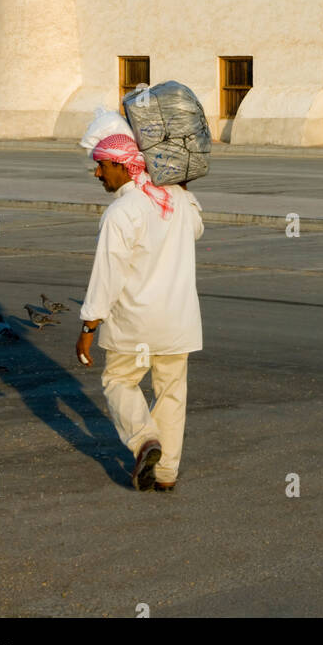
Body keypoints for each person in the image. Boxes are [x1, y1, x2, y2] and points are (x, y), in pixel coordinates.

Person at [76, 132, 204, 492]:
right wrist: (181, 186)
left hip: (135, 323)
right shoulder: (176, 200)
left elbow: (107, 274)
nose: (98, 174)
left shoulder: (122, 211)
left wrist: (89, 326)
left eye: (101, 166)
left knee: (118, 381)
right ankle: (165, 474)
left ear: (121, 165)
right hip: (178, 323)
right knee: (171, 392)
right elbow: (196, 227)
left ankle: (145, 439)